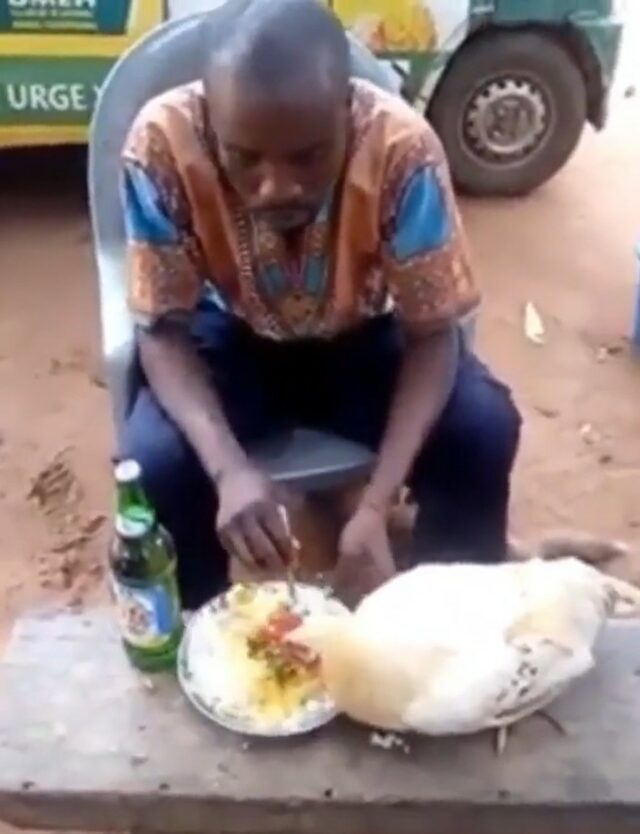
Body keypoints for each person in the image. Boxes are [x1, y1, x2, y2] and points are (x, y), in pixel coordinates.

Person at [120, 0, 521, 610]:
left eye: (308, 155)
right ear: (209, 117)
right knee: (158, 463)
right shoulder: (161, 143)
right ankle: (199, 639)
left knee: (483, 430)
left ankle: (452, 626)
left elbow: (434, 334)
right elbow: (162, 330)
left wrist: (377, 504)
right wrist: (228, 471)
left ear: (348, 111)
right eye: (243, 157)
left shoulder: (399, 148)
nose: (276, 186)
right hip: (227, 335)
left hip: (360, 336)